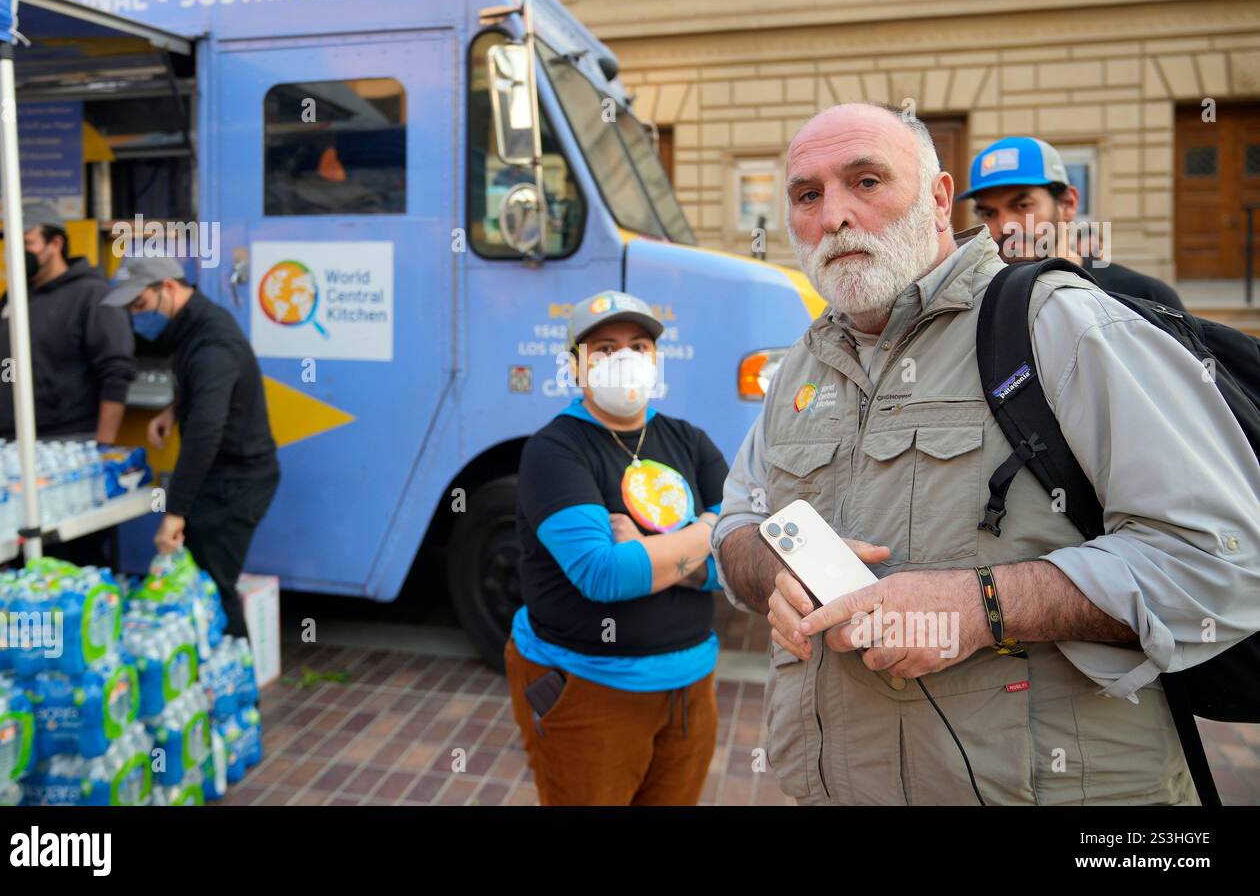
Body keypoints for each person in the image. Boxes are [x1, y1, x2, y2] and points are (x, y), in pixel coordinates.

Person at [712, 102, 1260, 805]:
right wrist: (771, 569)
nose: (835, 216)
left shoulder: (1059, 325)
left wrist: (979, 606)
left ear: (939, 201)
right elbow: (732, 527)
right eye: (808, 195)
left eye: (867, 181)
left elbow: (1225, 556)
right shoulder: (798, 367)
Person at [505, 290, 729, 805]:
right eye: (603, 349)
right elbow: (606, 575)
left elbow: (741, 557)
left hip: (691, 688)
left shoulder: (689, 440)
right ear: (575, 367)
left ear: (655, 359)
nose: (623, 359)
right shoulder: (555, 449)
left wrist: (659, 553)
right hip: (587, 687)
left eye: (637, 345)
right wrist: (706, 532)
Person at [102, 256, 279, 639]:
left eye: (140, 305)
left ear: (167, 287)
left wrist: (175, 512)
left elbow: (205, 432)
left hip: (237, 482)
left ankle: (236, 688)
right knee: (202, 584)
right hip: (225, 475)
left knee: (213, 588)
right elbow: (203, 393)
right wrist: (173, 411)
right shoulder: (192, 328)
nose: (136, 318)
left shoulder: (212, 342)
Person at [962, 135, 1186, 310]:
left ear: (1068, 204)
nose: (1004, 225)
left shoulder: (1142, 296)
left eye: (1022, 206)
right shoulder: (979, 299)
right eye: (988, 213)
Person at [0, 203, 135, 445]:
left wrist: (103, 445)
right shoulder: (11, 298)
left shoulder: (92, 295)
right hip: (9, 439)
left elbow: (116, 373)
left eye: (26, 243)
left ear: (55, 244)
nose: (15, 252)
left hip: (68, 440)